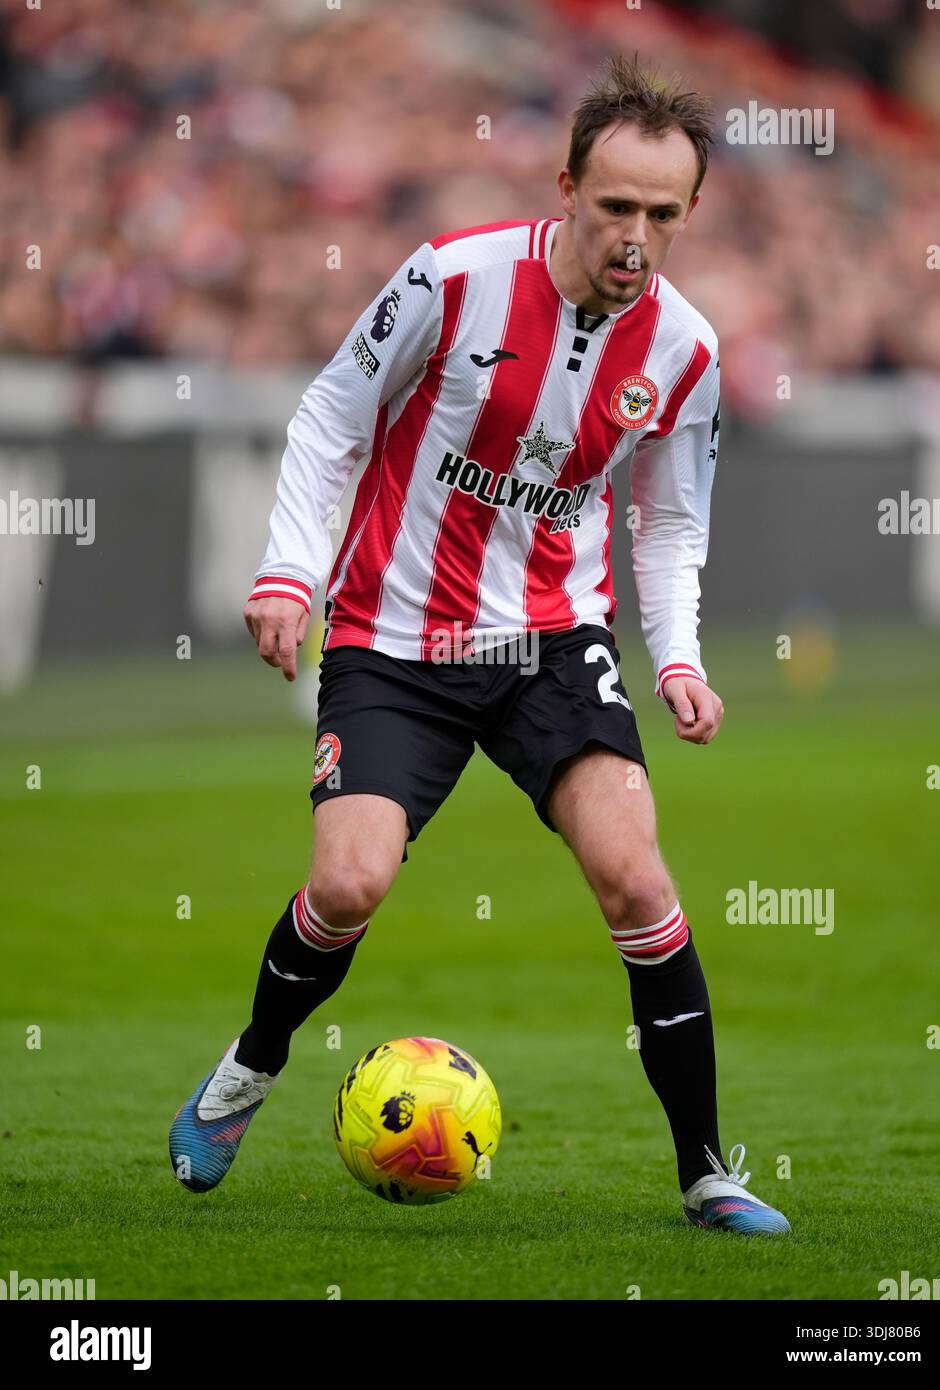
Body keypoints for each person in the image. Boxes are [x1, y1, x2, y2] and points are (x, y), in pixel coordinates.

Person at [169, 56, 790, 1236]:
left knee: (637, 878)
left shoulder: (684, 351)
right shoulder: (451, 278)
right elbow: (332, 414)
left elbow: (666, 522)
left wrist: (677, 658)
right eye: (614, 205)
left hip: (553, 642)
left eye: (662, 214)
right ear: (565, 187)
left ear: (690, 211)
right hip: (394, 638)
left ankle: (706, 1171)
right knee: (348, 882)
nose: (635, 237)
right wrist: (288, 570)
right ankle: (250, 1066)